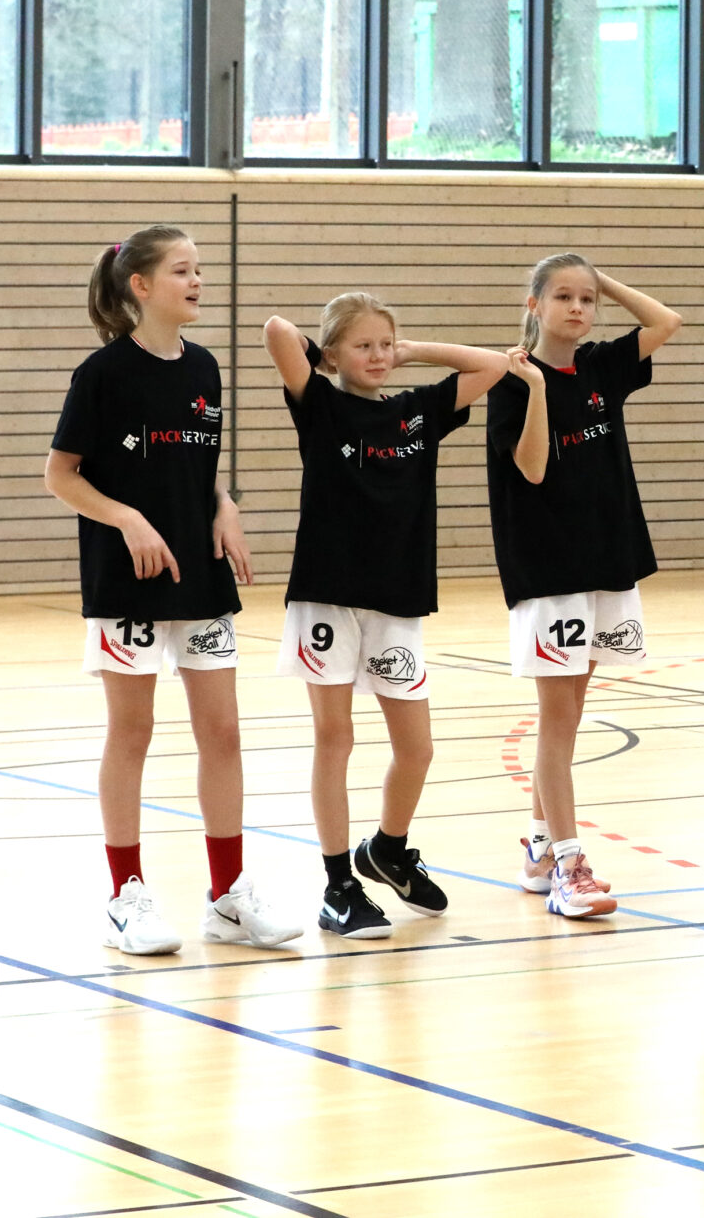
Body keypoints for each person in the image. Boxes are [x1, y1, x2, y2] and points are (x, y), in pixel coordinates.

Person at [44, 225, 300, 955]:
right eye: (182, 270)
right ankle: (125, 896)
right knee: (132, 732)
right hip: (127, 581)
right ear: (141, 285)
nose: (197, 282)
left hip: (200, 577)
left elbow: (196, 467)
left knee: (223, 732)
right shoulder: (102, 374)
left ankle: (228, 896)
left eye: (199, 270)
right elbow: (60, 475)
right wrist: (127, 518)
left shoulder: (205, 368)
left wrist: (223, 503)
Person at [263, 294, 512, 937]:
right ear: (333, 353)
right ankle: (338, 886)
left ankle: (388, 850)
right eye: (363, 346)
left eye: (384, 344)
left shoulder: (416, 412)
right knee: (335, 739)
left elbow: (493, 365)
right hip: (327, 594)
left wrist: (411, 351)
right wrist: (326, 359)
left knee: (417, 748)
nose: (377, 356)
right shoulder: (320, 404)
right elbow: (277, 330)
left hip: (397, 598)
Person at [486, 254, 683, 919]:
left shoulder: (602, 365)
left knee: (568, 717)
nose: (578, 308)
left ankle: (539, 850)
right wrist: (539, 389)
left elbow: (666, 321)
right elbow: (533, 469)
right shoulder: (512, 381)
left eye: (587, 298)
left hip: (606, 559)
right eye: (563, 297)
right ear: (534, 304)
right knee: (557, 719)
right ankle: (570, 864)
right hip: (549, 571)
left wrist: (605, 280)